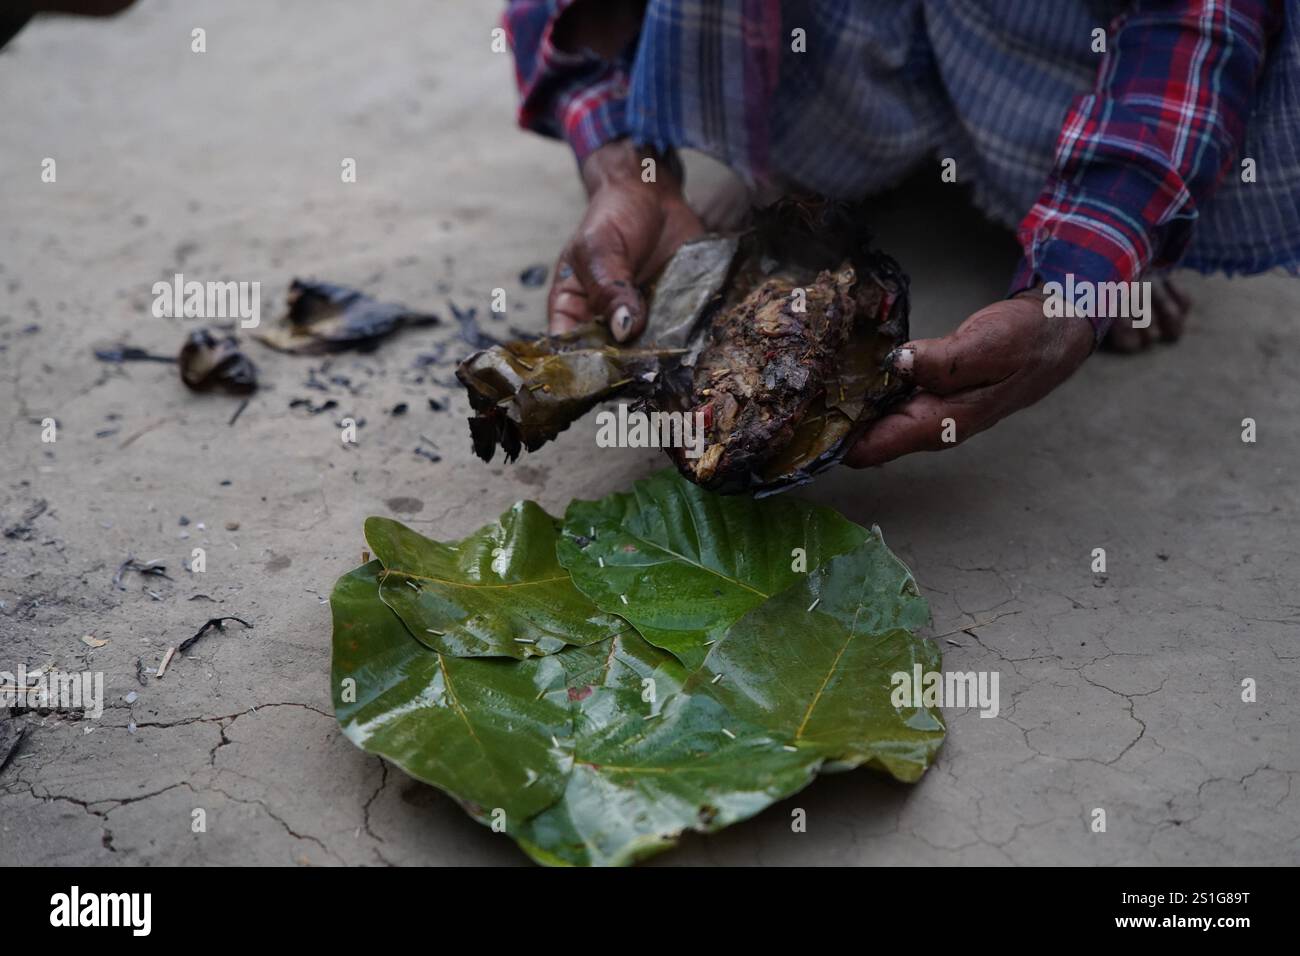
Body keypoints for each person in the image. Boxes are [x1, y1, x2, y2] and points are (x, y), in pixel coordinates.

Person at [504, 0, 1297, 466]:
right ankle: (833, 146)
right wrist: (625, 166)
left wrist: (1090, 264)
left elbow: (1198, 23)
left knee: (1114, 215)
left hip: (1047, 42)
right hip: (839, 37)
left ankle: (1087, 207)